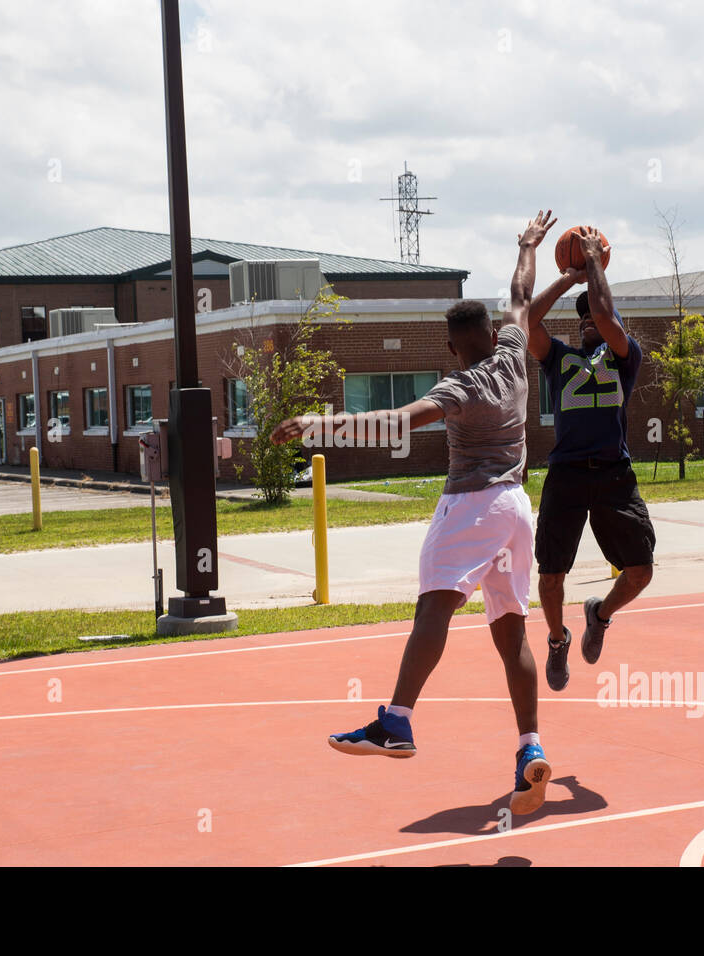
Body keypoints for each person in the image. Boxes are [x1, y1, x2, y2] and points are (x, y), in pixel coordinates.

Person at [271, 211, 559, 814]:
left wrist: (318, 425)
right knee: (512, 633)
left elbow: (398, 421)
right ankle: (530, 749)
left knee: (435, 607)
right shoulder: (512, 353)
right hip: (516, 509)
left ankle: (397, 721)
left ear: (453, 347)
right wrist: (528, 245)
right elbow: (521, 293)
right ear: (491, 331)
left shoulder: (461, 387)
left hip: (472, 506)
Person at [525, 227, 656, 691]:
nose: (587, 320)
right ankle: (558, 640)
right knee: (550, 577)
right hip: (566, 475)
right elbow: (527, 320)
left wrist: (596, 266)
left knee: (640, 571)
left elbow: (602, 311)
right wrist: (568, 278)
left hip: (613, 476)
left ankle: (599, 615)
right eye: (579, 316)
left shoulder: (625, 357)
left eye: (595, 318)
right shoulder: (557, 359)